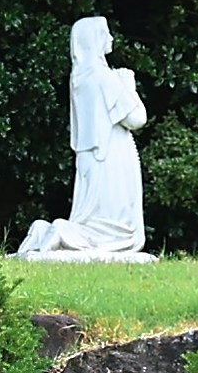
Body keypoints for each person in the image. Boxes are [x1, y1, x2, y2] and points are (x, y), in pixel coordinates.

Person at [17, 16, 152, 259]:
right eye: (106, 34)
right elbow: (137, 119)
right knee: (117, 230)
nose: (110, 39)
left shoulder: (80, 77)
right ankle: (63, 231)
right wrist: (128, 85)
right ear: (95, 41)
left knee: (94, 216)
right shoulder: (104, 78)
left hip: (89, 158)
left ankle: (43, 231)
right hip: (110, 157)